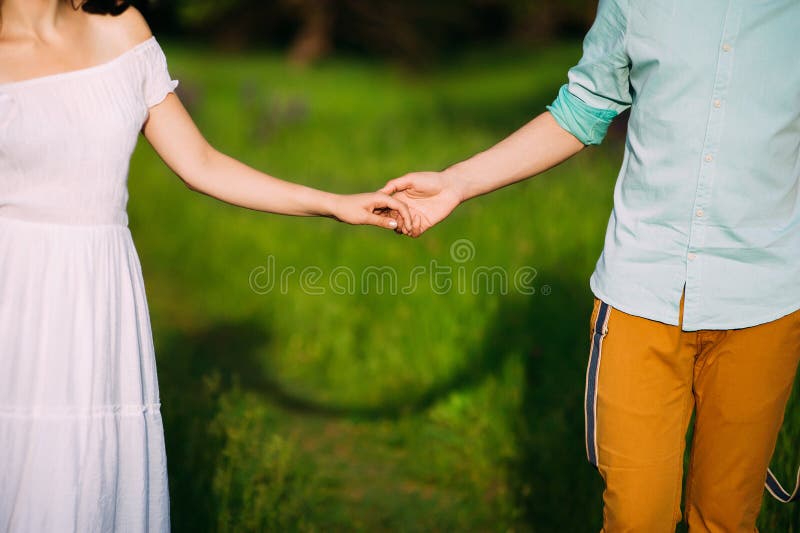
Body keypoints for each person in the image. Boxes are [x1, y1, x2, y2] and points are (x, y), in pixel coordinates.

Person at [382, 0, 800, 530]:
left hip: (765, 303)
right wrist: (458, 182)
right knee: (635, 520)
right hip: (640, 294)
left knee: (726, 520)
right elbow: (582, 109)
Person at [0, 1, 414, 531]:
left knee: (87, 481)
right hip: (16, 301)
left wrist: (332, 203)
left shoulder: (120, 29)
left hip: (99, 301)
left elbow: (201, 163)